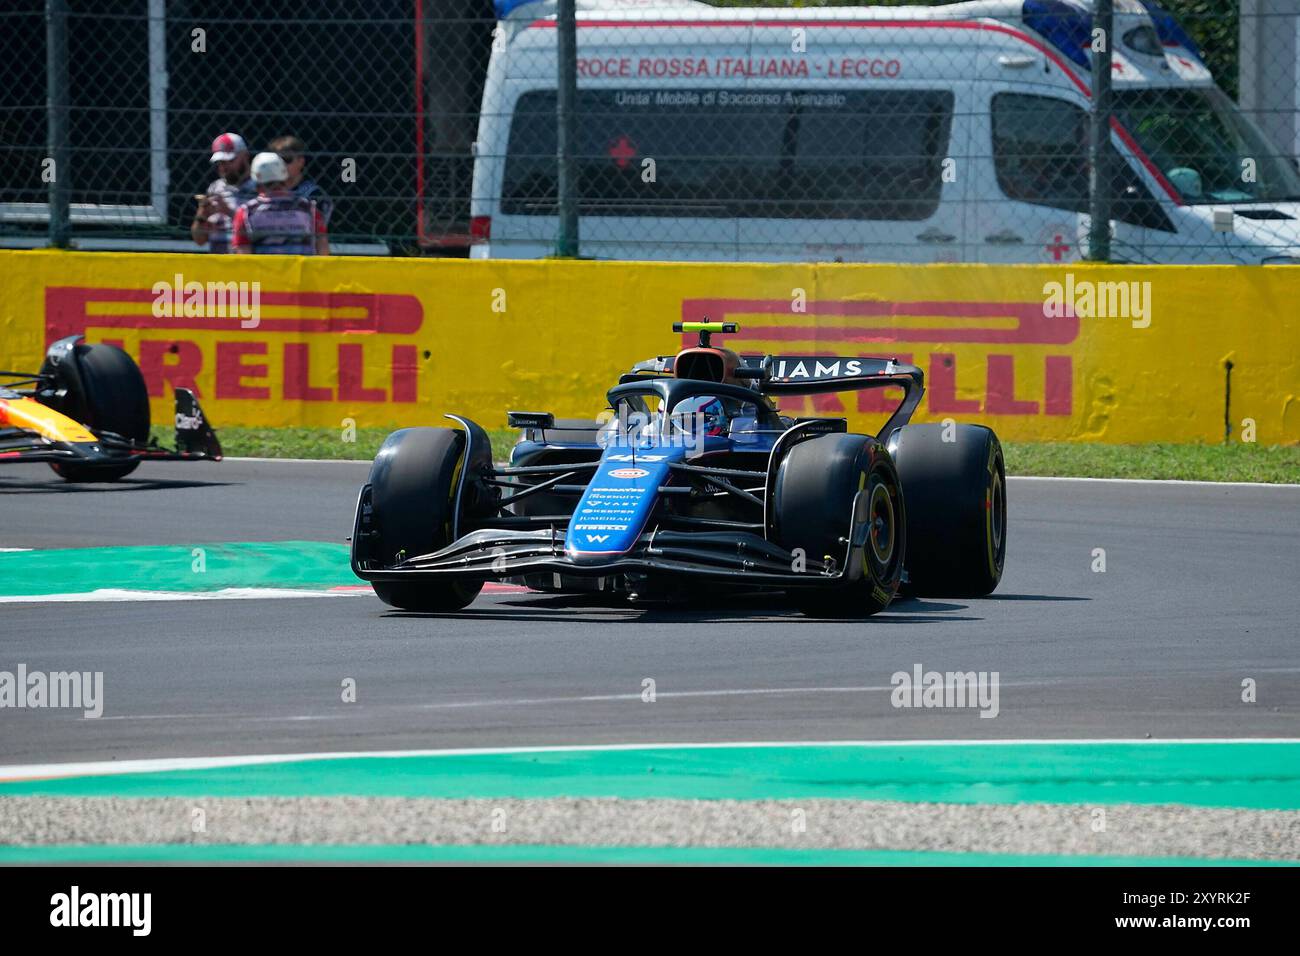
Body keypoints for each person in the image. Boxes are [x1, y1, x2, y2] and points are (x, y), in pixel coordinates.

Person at [231, 152, 330, 255]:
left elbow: (243, 253)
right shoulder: (308, 209)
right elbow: (323, 246)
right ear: (286, 179)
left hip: (263, 270)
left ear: (256, 183)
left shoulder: (246, 212)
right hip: (301, 270)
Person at [190, 132, 256, 253]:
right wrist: (202, 214)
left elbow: (264, 233)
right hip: (219, 265)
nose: (223, 167)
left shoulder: (259, 188)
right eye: (219, 162)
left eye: (230, 160)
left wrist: (228, 212)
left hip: (248, 264)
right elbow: (199, 240)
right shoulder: (215, 188)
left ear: (245, 156)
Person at [268, 135, 333, 227]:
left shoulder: (314, 195)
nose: (281, 165)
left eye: (287, 160)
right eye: (276, 161)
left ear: (301, 162)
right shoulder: (263, 191)